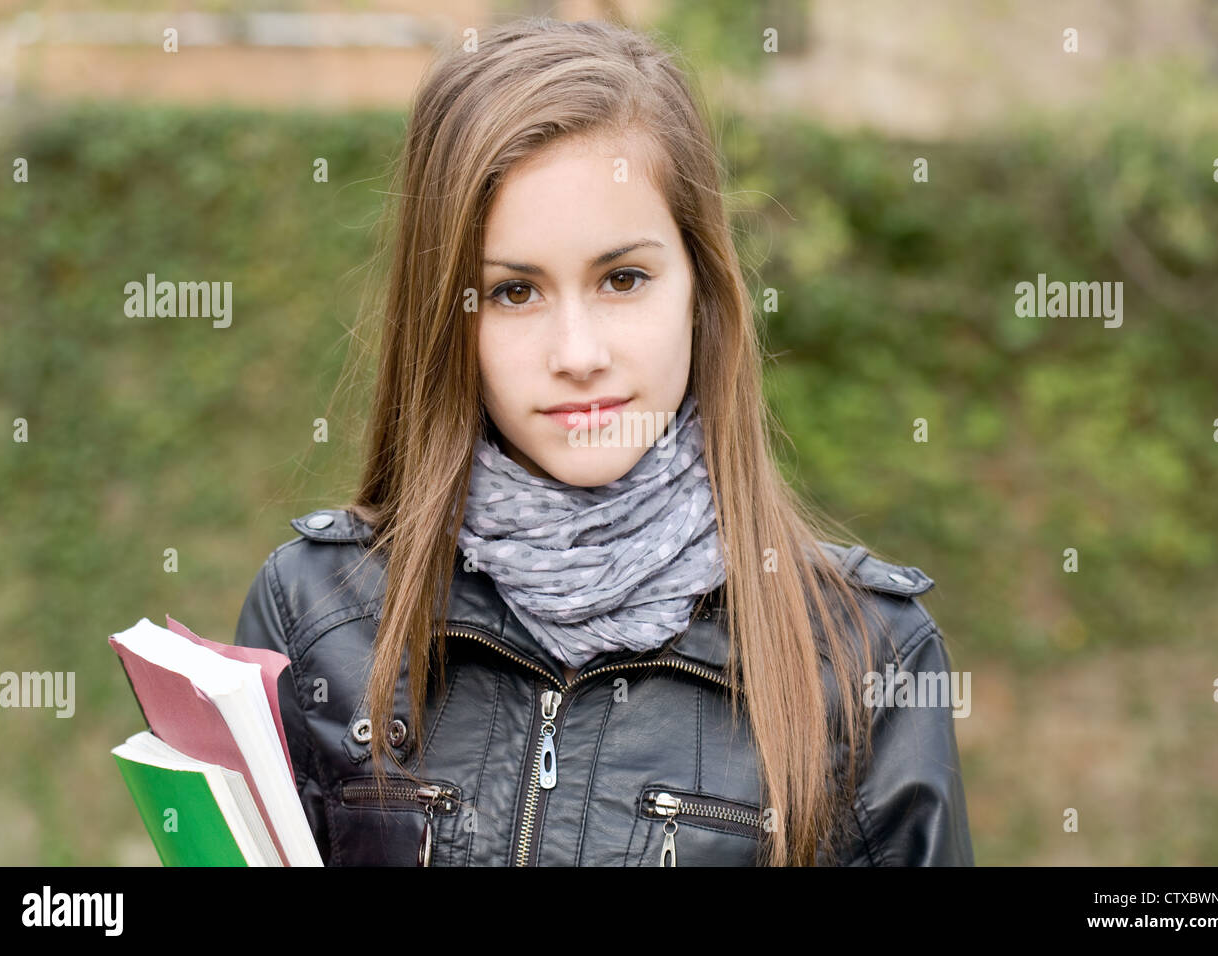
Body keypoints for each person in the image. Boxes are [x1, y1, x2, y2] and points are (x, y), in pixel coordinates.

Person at [234, 16, 973, 866]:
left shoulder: (870, 658)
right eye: (514, 293)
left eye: (623, 279)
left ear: (701, 289)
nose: (578, 355)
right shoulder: (313, 615)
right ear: (447, 318)